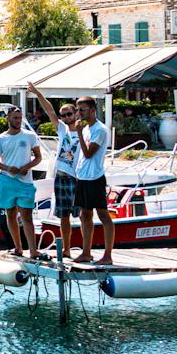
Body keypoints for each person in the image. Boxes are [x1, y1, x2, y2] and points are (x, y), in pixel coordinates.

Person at [24, 84, 77, 255]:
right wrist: (38, 93)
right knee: (63, 216)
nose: (66, 117)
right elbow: (49, 111)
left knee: (83, 215)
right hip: (61, 175)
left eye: (69, 114)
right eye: (64, 115)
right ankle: (67, 249)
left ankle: (86, 250)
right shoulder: (63, 129)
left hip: (77, 176)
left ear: (76, 113)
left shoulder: (86, 130)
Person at [0, 105, 44, 258]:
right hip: (7, 180)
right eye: (15, 117)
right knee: (10, 214)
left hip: (25, 182)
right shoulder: (1, 139)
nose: (18, 121)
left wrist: (27, 166)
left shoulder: (30, 136)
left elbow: (39, 157)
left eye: (20, 118)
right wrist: (7, 168)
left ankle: (33, 250)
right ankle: (18, 248)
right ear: (8, 118)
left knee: (27, 216)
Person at [72, 96, 115, 266]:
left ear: (92, 110)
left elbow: (89, 153)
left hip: (95, 177)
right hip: (83, 177)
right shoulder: (87, 128)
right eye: (78, 109)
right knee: (85, 215)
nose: (79, 113)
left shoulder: (100, 130)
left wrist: (79, 134)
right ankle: (86, 252)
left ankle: (108, 255)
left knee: (103, 215)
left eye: (82, 109)